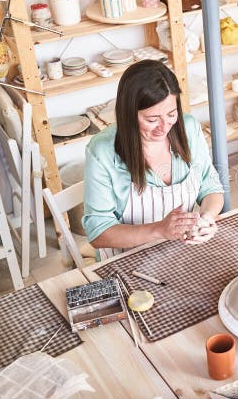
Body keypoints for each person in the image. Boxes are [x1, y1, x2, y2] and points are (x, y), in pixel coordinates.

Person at [83, 60, 224, 257]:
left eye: (171, 114)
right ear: (129, 114)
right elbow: (98, 232)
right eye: (151, 119)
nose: (164, 127)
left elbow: (210, 187)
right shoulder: (103, 151)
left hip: (178, 251)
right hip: (126, 259)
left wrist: (206, 218)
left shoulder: (189, 128)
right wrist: (159, 230)